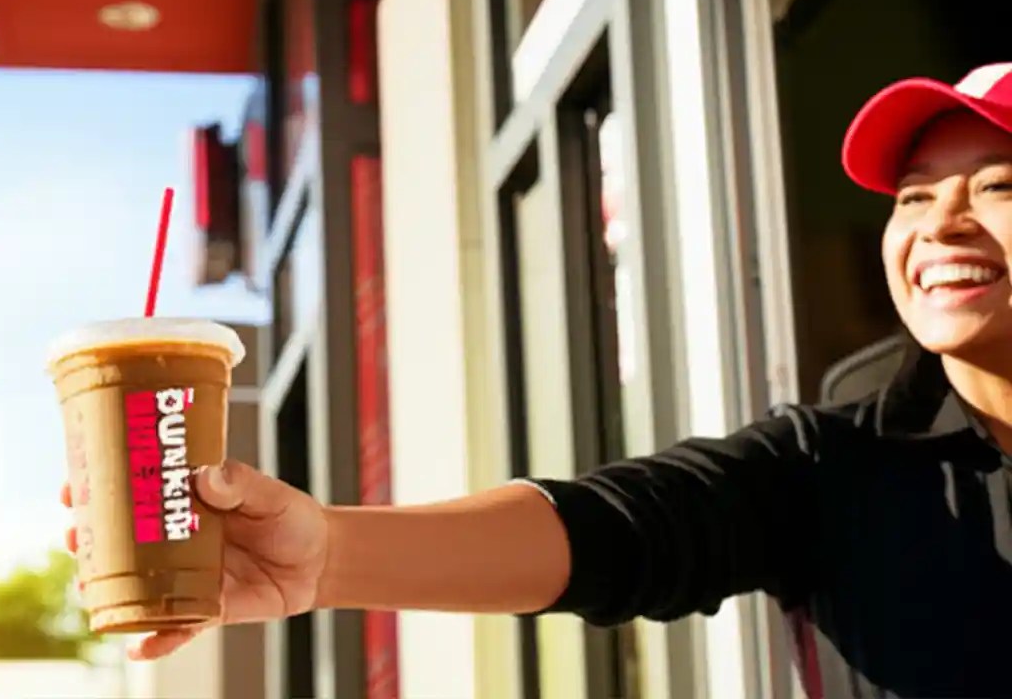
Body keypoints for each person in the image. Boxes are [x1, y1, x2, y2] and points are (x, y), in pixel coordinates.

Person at [62, 63, 1012, 697]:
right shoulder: (836, 461)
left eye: (998, 186)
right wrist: (326, 556)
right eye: (915, 197)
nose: (941, 225)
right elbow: (622, 525)